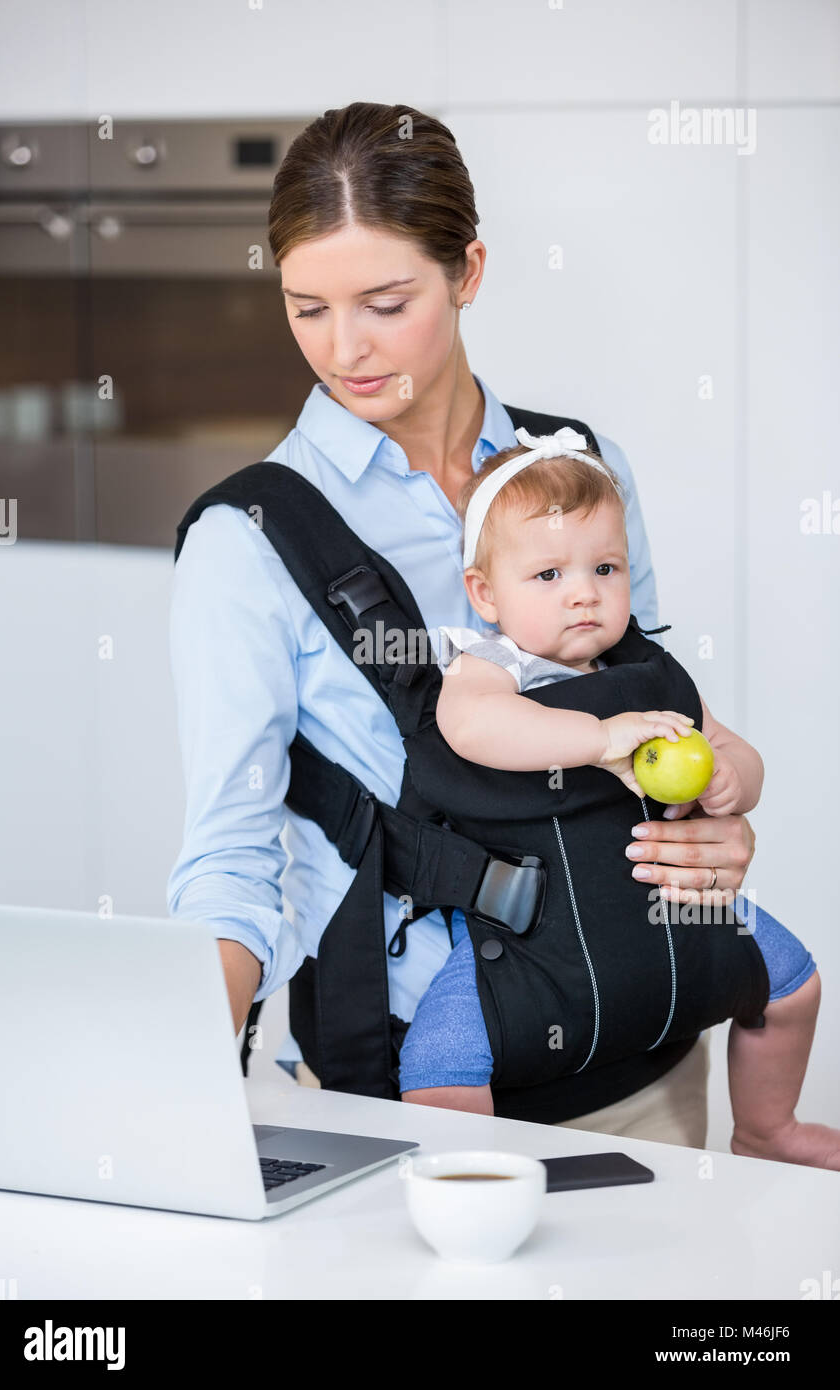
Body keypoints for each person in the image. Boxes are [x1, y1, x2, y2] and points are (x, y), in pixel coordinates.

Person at [167, 101, 774, 1148]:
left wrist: (715, 824)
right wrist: (172, 1108)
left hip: (646, 1050)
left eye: (385, 301)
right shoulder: (248, 534)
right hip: (413, 1079)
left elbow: (653, 701)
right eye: (305, 307)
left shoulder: (578, 462)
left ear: (468, 272)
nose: (343, 348)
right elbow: (227, 856)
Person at [395, 428, 839, 1169]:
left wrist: (732, 779)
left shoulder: (645, 664)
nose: (583, 593)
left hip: (669, 910)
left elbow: (730, 746)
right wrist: (603, 739)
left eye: (606, 567)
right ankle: (467, 1181)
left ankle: (768, 1126)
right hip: (532, 942)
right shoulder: (489, 666)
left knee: (793, 986)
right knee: (438, 1067)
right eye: (547, 575)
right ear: (485, 593)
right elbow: (474, 727)